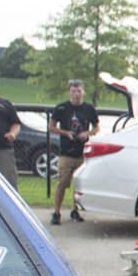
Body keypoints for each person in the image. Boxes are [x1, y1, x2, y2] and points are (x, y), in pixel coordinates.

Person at [49, 79, 99, 225]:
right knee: (62, 183)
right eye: (73, 91)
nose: (76, 94)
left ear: (83, 92)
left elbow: (97, 127)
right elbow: (51, 127)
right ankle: (57, 212)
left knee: (79, 184)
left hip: (82, 152)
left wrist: (88, 133)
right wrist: (65, 133)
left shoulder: (89, 108)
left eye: (78, 91)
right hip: (66, 151)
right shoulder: (62, 108)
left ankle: (75, 210)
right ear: (69, 92)